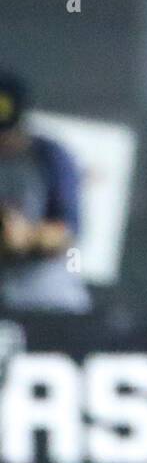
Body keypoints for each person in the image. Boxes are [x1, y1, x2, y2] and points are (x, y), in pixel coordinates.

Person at [0, 71, 91, 313]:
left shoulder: (49, 157)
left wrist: (25, 237)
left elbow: (68, 234)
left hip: (47, 301)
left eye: (7, 132)